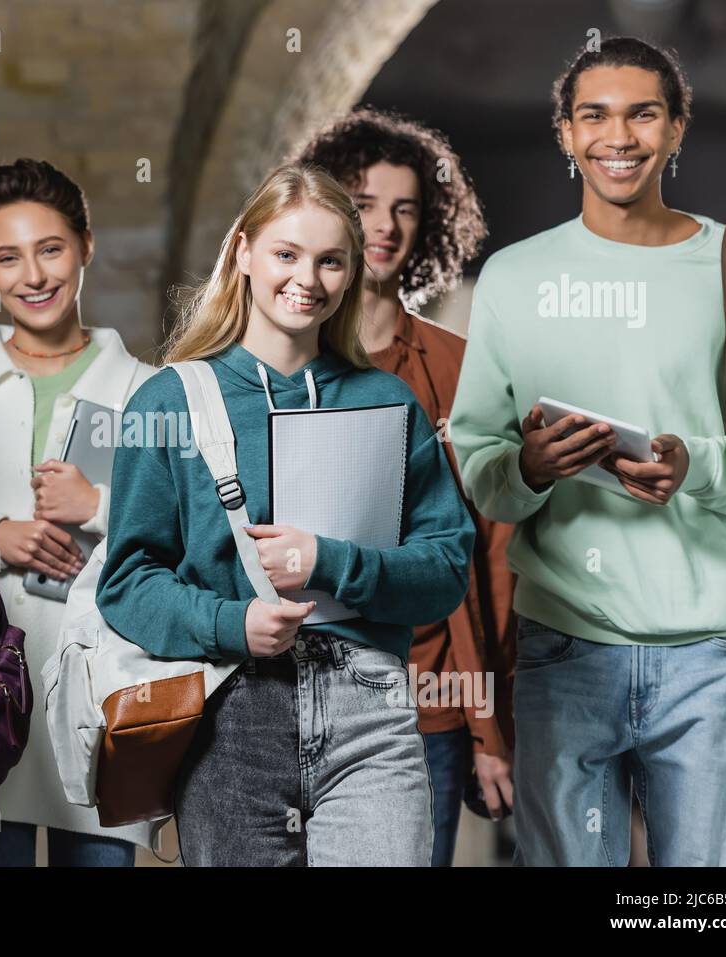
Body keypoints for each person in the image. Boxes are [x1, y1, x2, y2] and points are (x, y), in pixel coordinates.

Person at [450, 37, 726, 866]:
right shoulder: (513, 277)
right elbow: (480, 468)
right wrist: (530, 468)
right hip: (560, 648)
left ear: (676, 129)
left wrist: (693, 467)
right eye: (594, 115)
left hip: (708, 653)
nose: (619, 135)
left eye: (644, 113)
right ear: (565, 135)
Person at [95, 163, 475, 866]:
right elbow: (127, 581)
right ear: (242, 253)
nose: (310, 278)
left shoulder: (387, 401)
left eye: (332, 260)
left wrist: (331, 561)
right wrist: (228, 621)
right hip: (230, 709)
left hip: (371, 708)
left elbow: (447, 567)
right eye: (287, 253)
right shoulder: (170, 400)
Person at [0, 158, 156, 866]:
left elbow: (194, 539)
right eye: (9, 257)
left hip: (105, 701)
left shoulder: (150, 390)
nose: (34, 276)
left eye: (51, 249)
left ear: (86, 245)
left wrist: (99, 505)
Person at [299, 107, 515, 864]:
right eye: (363, 205)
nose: (384, 226)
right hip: (295, 695)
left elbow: (493, 554)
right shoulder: (281, 361)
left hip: (429, 706)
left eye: (404, 208)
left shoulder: (460, 366)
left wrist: (492, 730)